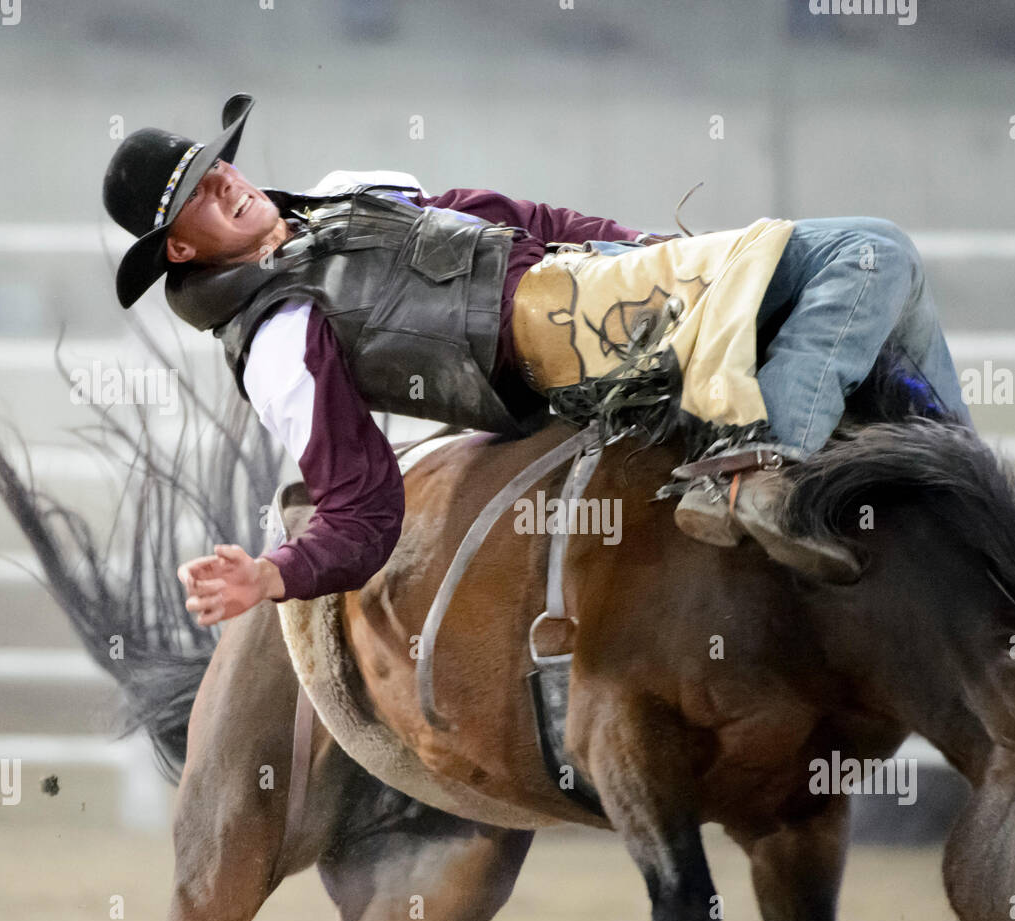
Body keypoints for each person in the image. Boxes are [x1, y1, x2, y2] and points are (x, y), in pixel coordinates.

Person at [101, 94, 970, 625]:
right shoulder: (279, 335)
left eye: (216, 168)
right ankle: (757, 467)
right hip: (559, 339)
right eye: (200, 196)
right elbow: (361, 507)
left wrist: (647, 247)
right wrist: (275, 574)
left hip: (593, 284)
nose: (226, 183)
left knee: (895, 288)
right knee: (872, 253)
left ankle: (963, 504)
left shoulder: (345, 189)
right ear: (179, 251)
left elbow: (525, 220)